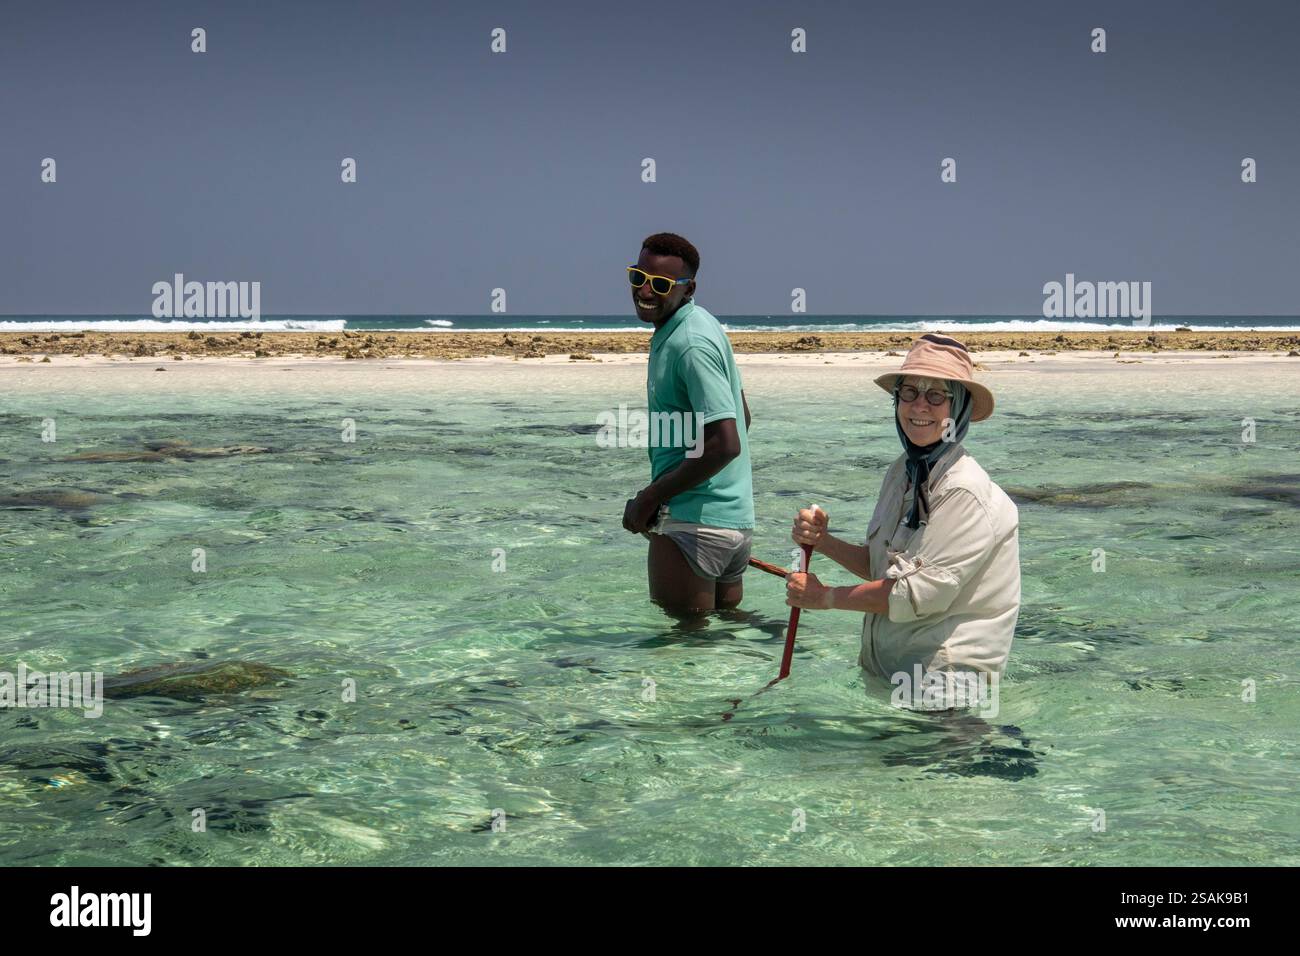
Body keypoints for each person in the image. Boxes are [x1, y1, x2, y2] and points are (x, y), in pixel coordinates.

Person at [784, 333, 1020, 707]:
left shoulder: (963, 491)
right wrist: (823, 542)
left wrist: (823, 597)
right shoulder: (902, 472)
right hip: (894, 681)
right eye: (909, 392)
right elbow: (883, 568)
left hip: (944, 695)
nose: (919, 406)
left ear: (958, 407)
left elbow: (913, 594)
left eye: (936, 395)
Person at [621, 233, 754, 615]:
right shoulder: (701, 325)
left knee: (678, 652)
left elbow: (727, 442)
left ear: (688, 287)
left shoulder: (690, 342)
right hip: (732, 523)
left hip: (692, 527)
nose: (645, 291)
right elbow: (741, 417)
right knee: (722, 647)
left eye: (660, 284)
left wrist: (651, 498)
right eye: (638, 277)